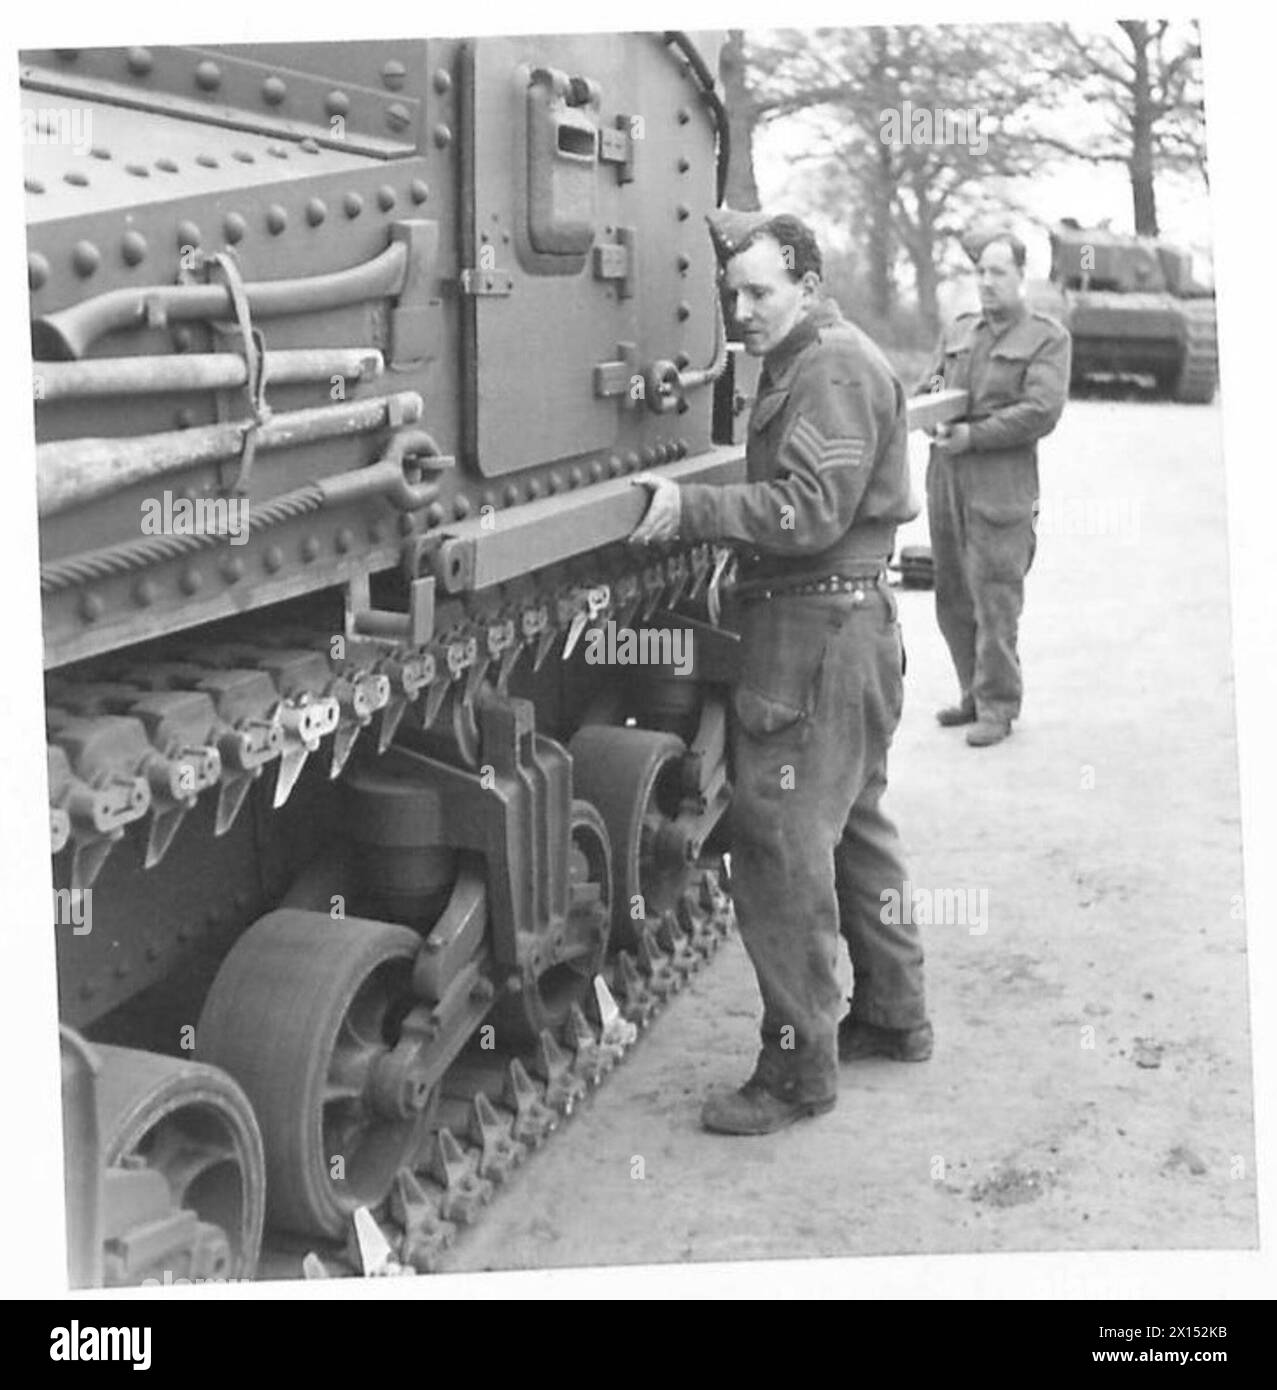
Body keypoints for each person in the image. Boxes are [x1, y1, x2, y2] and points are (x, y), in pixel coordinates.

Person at [629, 210, 931, 1135]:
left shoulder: (830, 365)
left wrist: (691, 511)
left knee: (779, 850)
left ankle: (796, 1073)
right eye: (732, 294)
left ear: (805, 280)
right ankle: (891, 1012)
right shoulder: (811, 359)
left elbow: (807, 511)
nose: (742, 310)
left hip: (815, 635)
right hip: (845, 626)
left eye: (759, 291)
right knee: (853, 829)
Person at [919, 230, 1071, 747]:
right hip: (946, 477)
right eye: (980, 271)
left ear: (1020, 276)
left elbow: (1041, 411)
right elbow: (931, 384)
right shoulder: (960, 329)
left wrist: (974, 436)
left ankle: (998, 705)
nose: (986, 282)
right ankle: (971, 693)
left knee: (996, 596)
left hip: (999, 483)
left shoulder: (1046, 337)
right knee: (952, 595)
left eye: (998, 272)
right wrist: (927, 413)